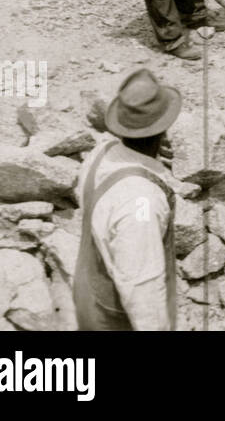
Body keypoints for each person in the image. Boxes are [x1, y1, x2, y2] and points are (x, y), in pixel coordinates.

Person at [74, 69, 181, 331]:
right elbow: (142, 288)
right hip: (118, 319)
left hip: (90, 294)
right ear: (164, 127)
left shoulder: (103, 152)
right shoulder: (141, 201)